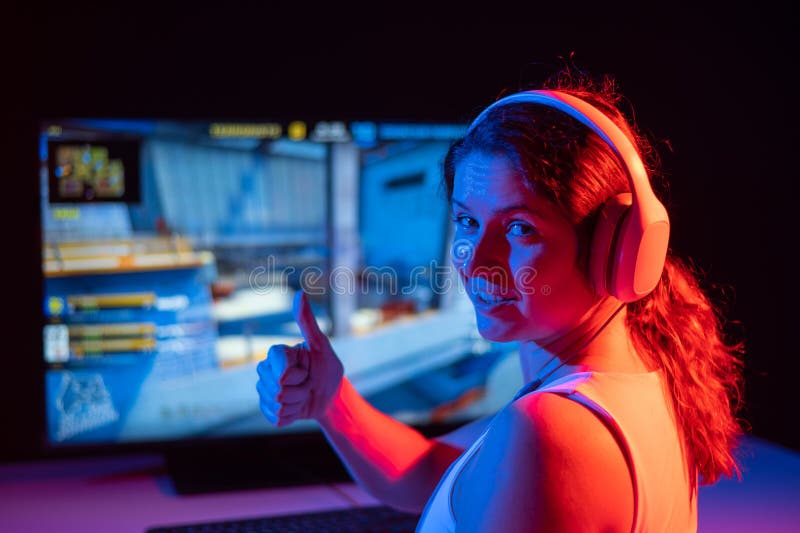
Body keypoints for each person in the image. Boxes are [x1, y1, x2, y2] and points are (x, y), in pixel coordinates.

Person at [256, 68, 744, 532]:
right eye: (467, 221)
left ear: (616, 248)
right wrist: (332, 401)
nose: (477, 262)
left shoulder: (553, 429)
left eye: (519, 227)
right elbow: (434, 475)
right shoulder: (637, 375)